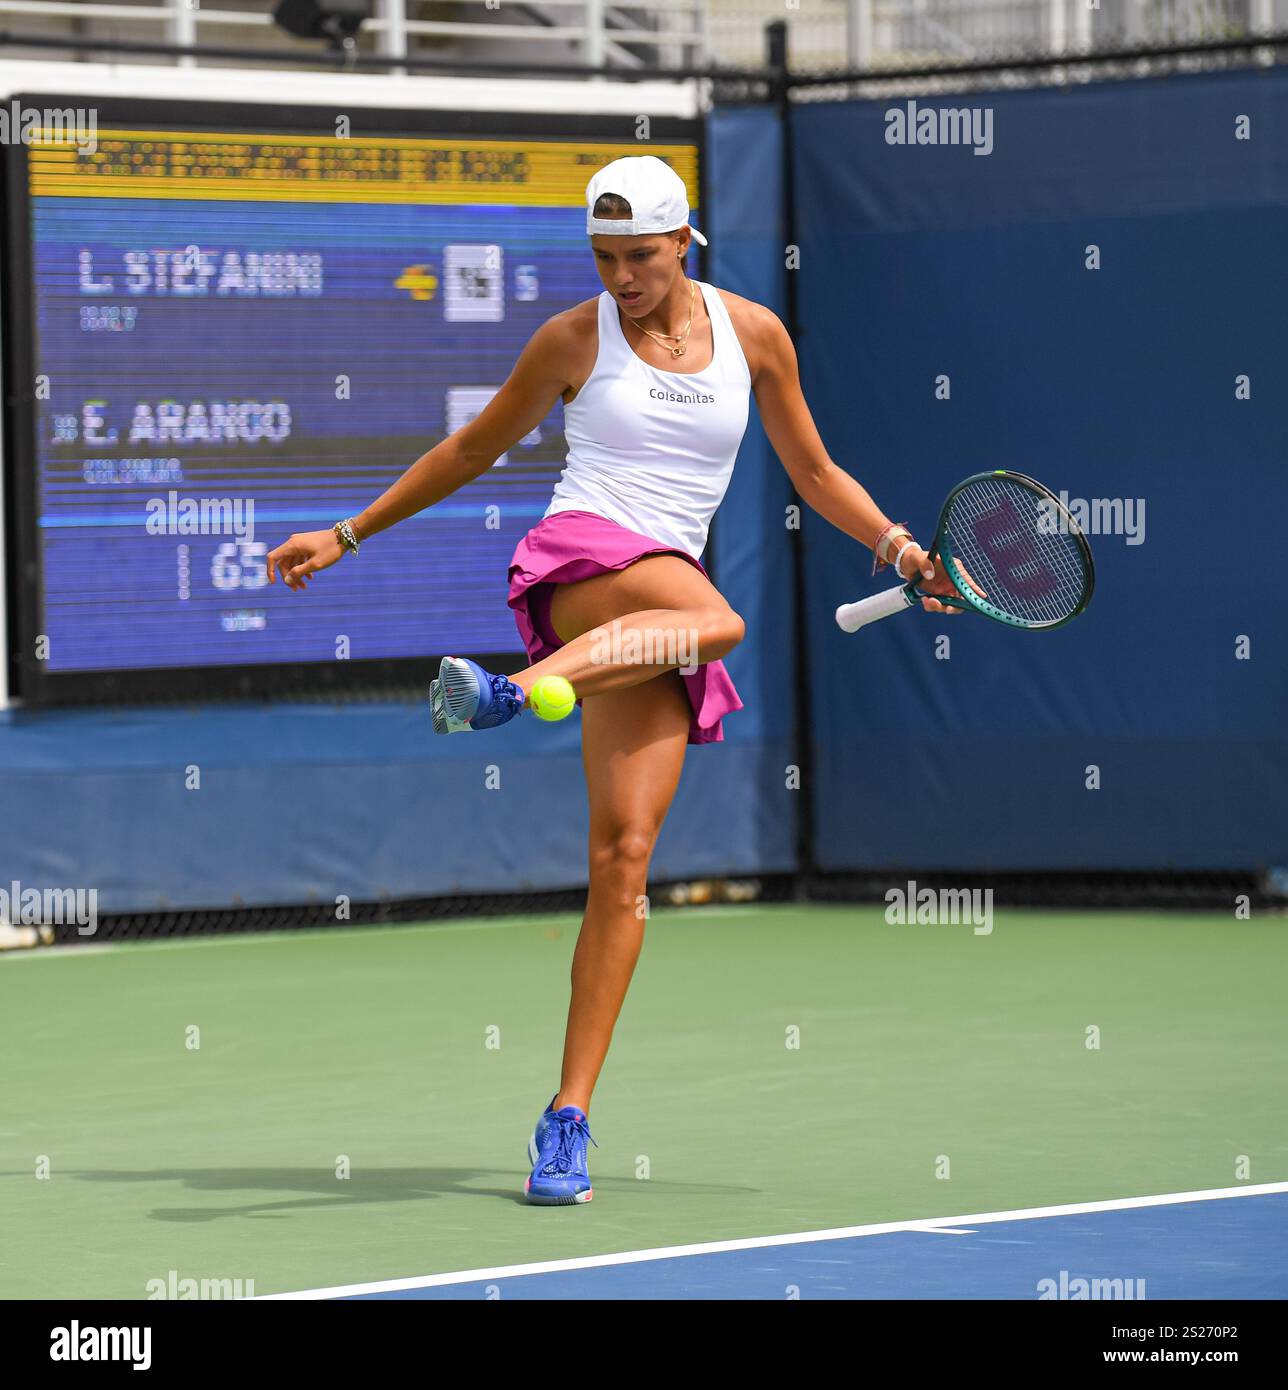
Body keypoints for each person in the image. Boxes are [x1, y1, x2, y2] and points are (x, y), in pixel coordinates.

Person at [266, 154, 966, 1206]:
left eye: (639, 256)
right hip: (581, 560)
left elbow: (814, 473)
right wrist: (346, 533)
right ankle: (512, 689)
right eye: (603, 257)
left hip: (652, 618)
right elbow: (469, 448)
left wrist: (905, 552)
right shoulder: (570, 338)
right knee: (718, 619)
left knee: (625, 858)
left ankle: (566, 1117)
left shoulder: (755, 336)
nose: (621, 276)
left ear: (684, 242)